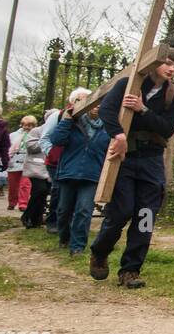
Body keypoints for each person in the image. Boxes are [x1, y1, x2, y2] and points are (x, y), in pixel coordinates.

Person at [88, 49, 174, 287]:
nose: (171, 69)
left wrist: (143, 109)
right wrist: (118, 135)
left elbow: (167, 128)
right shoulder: (128, 84)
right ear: (154, 62)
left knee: (145, 216)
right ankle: (100, 252)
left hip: (151, 160)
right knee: (120, 212)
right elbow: (108, 110)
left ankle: (130, 270)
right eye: (167, 63)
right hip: (125, 157)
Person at [44, 88, 108, 257]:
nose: (95, 106)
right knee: (64, 210)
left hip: (92, 174)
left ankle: (78, 246)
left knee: (84, 210)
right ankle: (64, 238)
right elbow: (56, 140)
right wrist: (66, 120)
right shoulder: (71, 122)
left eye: (97, 103)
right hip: (68, 173)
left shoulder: (108, 125)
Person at [20, 109, 59, 229]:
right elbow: (30, 146)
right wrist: (48, 141)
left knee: (44, 193)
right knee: (40, 190)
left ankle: (36, 219)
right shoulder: (37, 131)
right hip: (36, 168)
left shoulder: (61, 130)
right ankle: (27, 215)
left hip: (52, 168)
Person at [6, 115, 36, 210]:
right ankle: (12, 202)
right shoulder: (13, 135)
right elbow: (8, 147)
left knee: (25, 184)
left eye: (30, 125)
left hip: (28, 163)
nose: (27, 127)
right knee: (13, 185)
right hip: (13, 162)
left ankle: (23, 203)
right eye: (25, 125)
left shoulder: (35, 135)